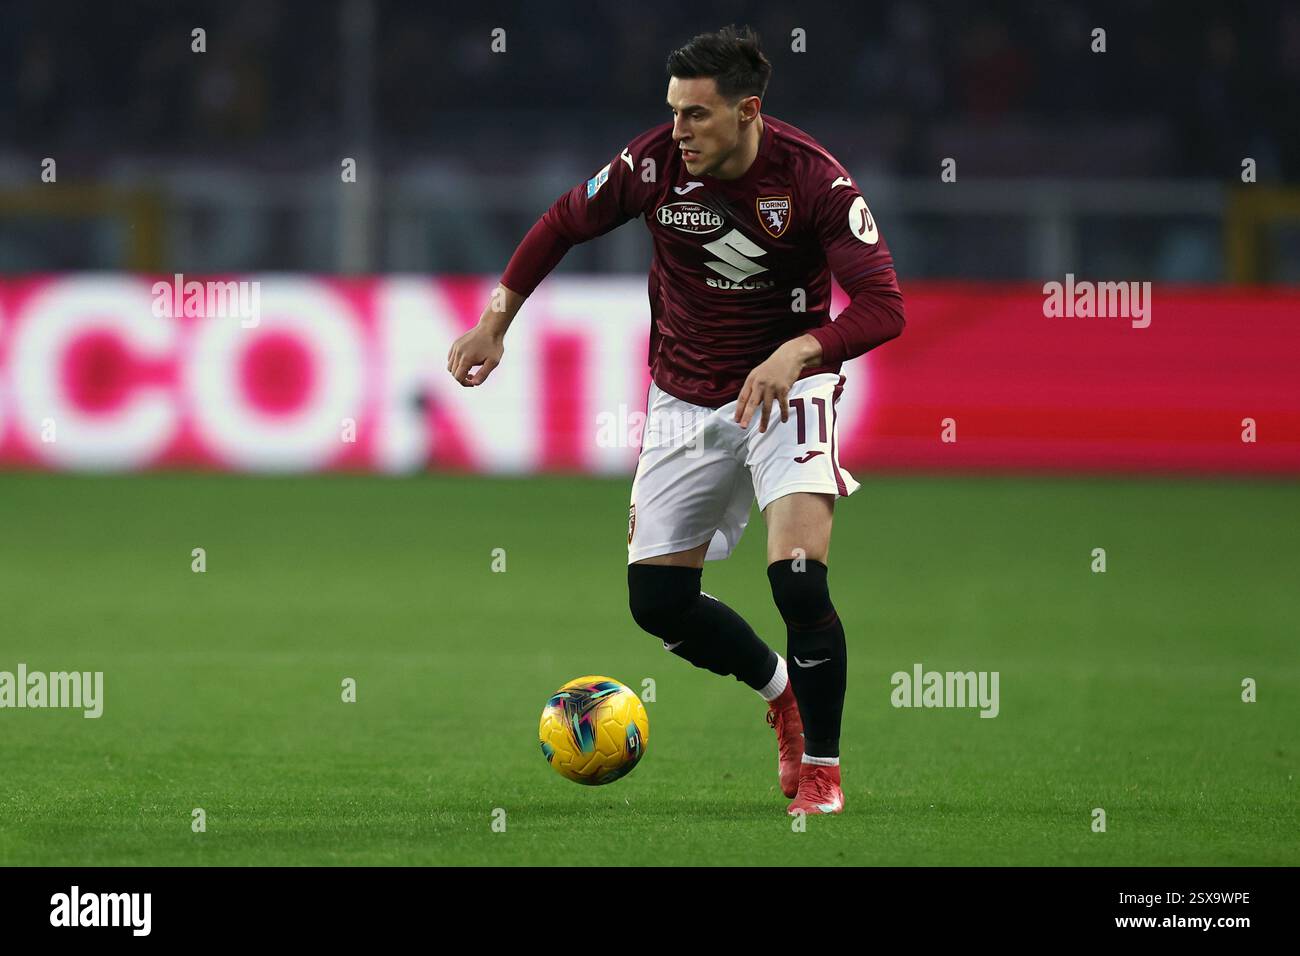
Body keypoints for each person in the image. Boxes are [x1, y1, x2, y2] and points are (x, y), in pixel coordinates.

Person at [447, 24, 905, 815]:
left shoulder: (813, 181)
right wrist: (497, 320)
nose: (678, 131)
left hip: (790, 393)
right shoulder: (652, 164)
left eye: (696, 114)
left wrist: (801, 349)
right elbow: (563, 222)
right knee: (657, 605)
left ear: (747, 111)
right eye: (673, 111)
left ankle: (823, 772)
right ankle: (781, 694)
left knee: (798, 580)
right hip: (684, 400)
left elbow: (884, 307)